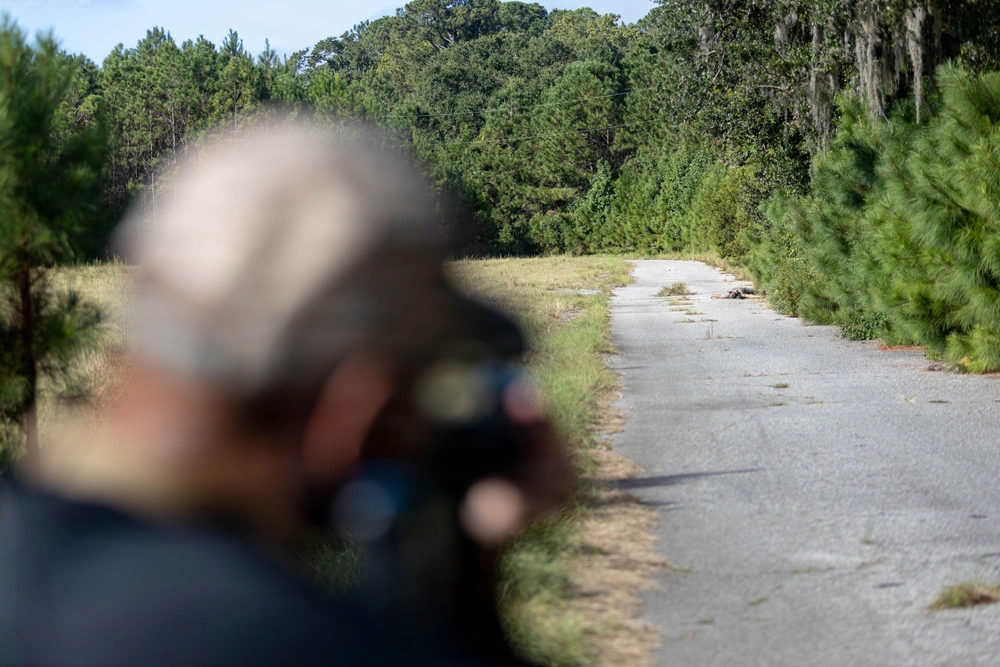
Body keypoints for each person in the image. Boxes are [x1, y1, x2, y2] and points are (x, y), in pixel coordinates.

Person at [0, 124, 571, 666]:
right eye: (415, 394)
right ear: (351, 410)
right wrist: (463, 575)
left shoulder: (28, 554)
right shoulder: (296, 642)